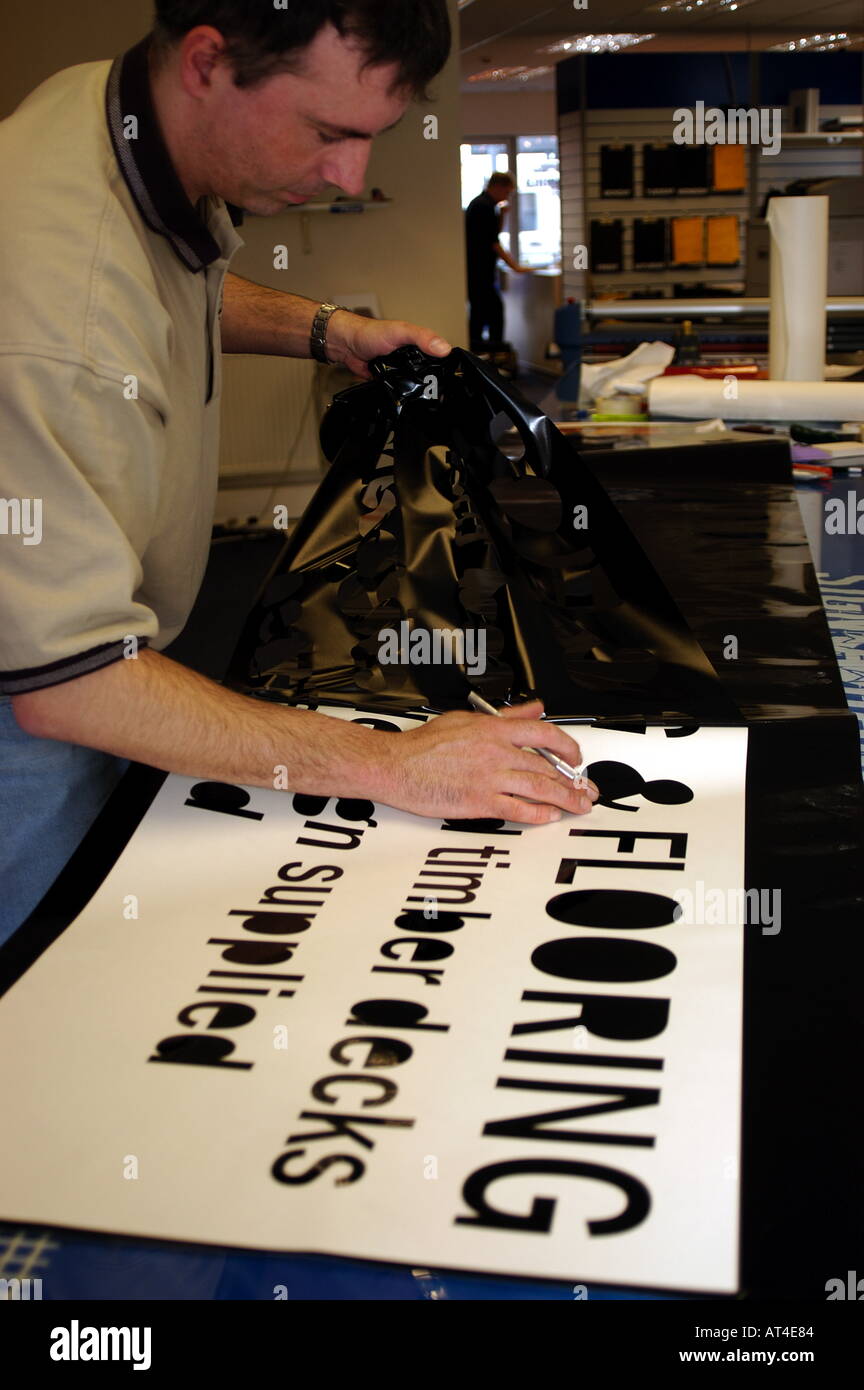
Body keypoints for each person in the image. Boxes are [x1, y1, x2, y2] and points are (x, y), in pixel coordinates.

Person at [0, 2, 597, 942]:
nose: (347, 175)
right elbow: (65, 682)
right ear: (207, 63)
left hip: (67, 662)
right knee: (46, 981)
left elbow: (173, 291)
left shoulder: (113, 121)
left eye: (373, 137)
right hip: (30, 712)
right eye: (327, 132)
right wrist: (394, 764)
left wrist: (327, 330)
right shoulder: (52, 314)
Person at [464, 171, 526, 353]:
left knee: (482, 313)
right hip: (479, 271)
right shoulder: (482, 206)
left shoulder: (483, 204)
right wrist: (514, 265)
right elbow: (493, 242)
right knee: (491, 313)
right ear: (497, 187)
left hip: (478, 270)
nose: (507, 196)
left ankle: (486, 353)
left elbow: (492, 234)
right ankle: (492, 354)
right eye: (507, 192)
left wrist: (502, 215)